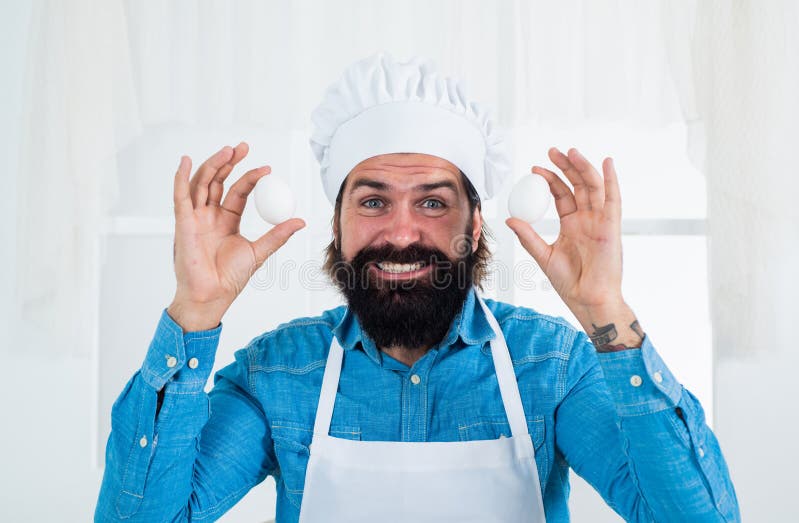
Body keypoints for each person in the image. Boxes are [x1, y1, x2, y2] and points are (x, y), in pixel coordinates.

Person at [94, 54, 740, 522]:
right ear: (338, 223)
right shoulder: (279, 371)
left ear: (475, 223)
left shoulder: (551, 365)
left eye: (433, 202)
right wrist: (196, 309)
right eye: (373, 201)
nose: (401, 231)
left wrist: (606, 311)